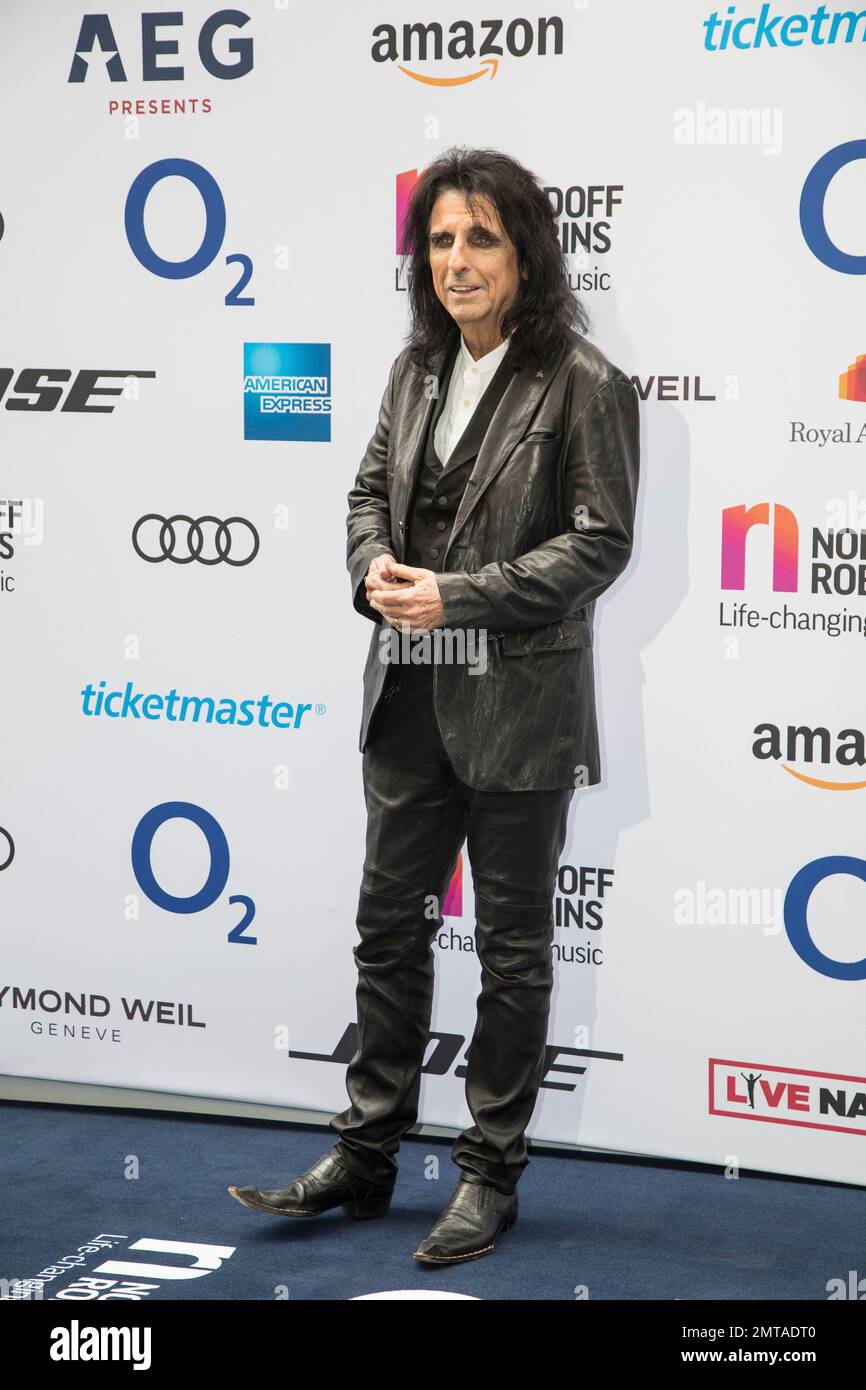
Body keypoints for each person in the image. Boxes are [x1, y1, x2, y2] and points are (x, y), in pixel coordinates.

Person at [229, 145, 640, 1265]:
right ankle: (366, 1154)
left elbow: (599, 544)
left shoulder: (586, 383)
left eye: (481, 239)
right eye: (440, 240)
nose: (456, 260)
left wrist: (455, 594)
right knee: (385, 928)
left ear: (526, 253)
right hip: (407, 698)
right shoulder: (412, 370)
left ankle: (488, 1173)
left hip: (518, 706)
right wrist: (372, 566)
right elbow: (368, 491)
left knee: (509, 953)